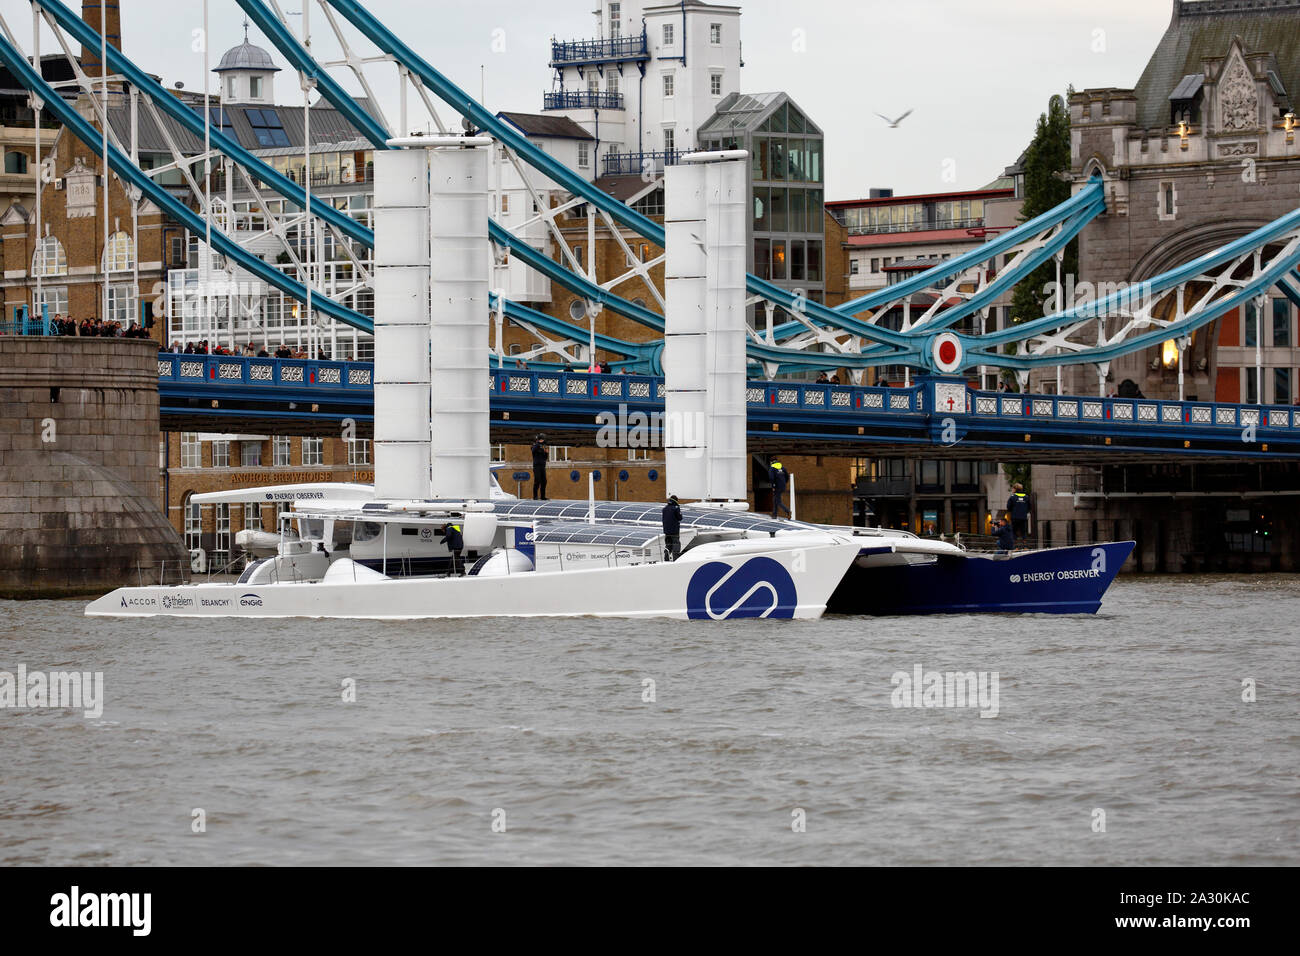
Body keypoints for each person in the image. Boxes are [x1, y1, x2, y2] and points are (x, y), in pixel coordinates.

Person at [662, 494, 682, 561]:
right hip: (674, 531)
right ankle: (676, 560)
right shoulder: (676, 508)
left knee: (668, 545)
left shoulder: (664, 509)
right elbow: (680, 518)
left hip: (666, 531)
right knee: (676, 545)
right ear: (676, 500)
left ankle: (666, 559)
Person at [530, 434, 549, 500]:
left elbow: (545, 458)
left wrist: (546, 452)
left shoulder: (542, 447)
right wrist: (539, 442)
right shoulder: (535, 445)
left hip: (542, 466)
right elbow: (533, 450)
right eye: (542, 439)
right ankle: (535, 496)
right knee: (537, 480)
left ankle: (542, 496)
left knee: (544, 481)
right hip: (536, 466)